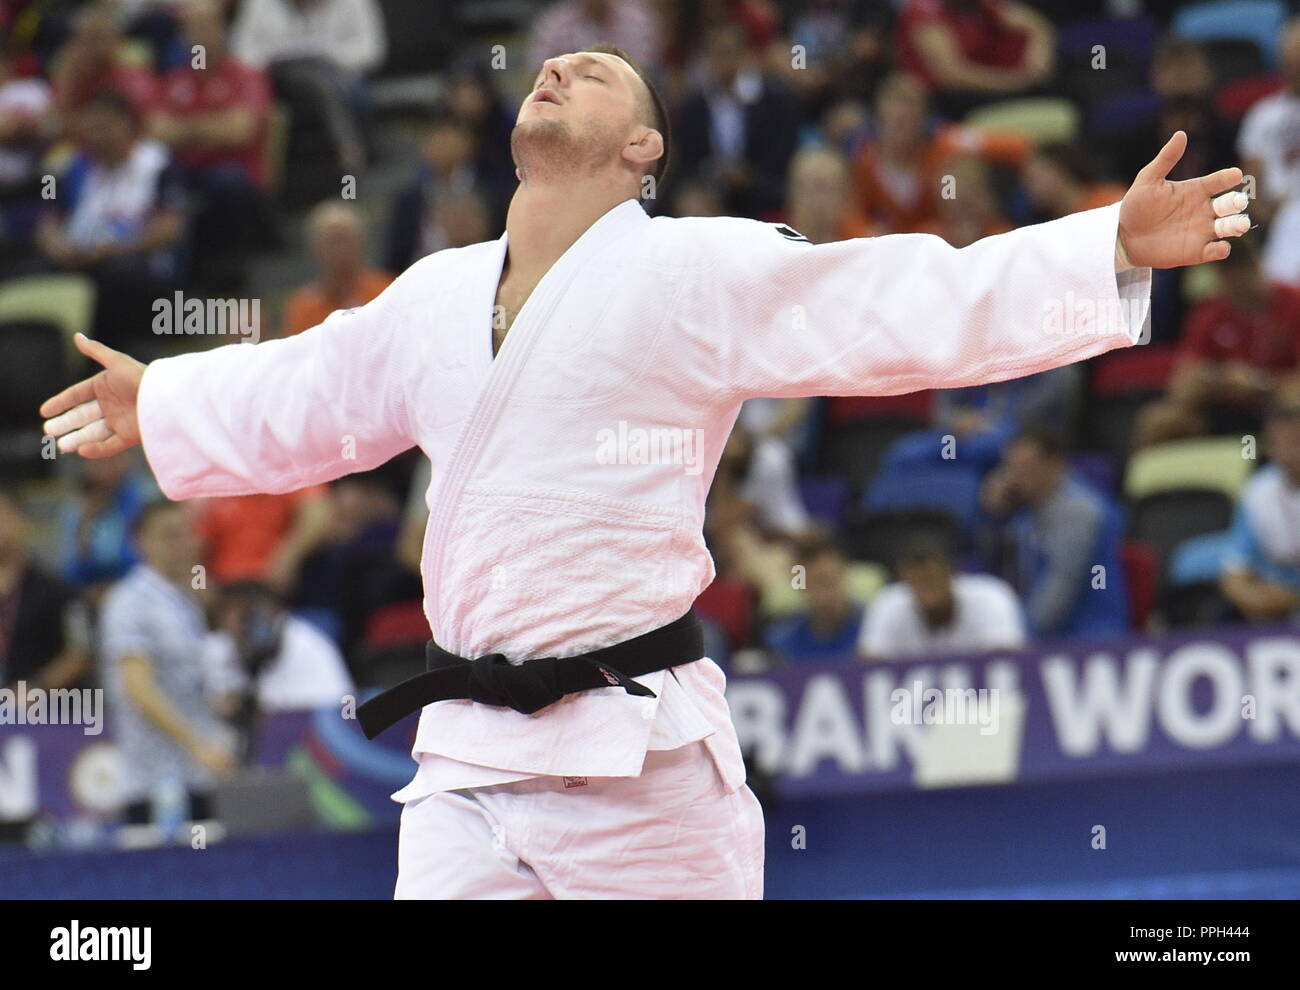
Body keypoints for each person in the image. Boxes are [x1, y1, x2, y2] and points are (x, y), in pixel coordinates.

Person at [41, 45, 1249, 899]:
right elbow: (307, 392)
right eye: (547, 65)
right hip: (467, 760)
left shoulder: (693, 270)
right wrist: (165, 396)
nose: (555, 69)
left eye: (597, 70)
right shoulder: (432, 296)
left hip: (644, 759)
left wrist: (1101, 247)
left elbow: (894, 300)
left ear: (643, 145)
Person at [98, 499, 236, 826]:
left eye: (186, 533)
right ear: (142, 542)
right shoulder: (129, 602)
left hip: (197, 772)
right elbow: (138, 688)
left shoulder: (186, 599)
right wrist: (196, 744)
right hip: (154, 780)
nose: (183, 544)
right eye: (169, 535)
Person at [981, 428, 1128, 640]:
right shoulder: (1025, 516)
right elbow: (998, 578)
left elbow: (1060, 588)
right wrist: (994, 517)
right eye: (1011, 468)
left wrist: (1017, 637)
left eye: (1026, 468)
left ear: (1055, 465)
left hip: (1090, 635)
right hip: (1046, 635)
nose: (1015, 478)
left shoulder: (1080, 512)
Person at [858, 533, 1025, 660]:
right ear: (905, 580)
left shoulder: (991, 597)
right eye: (917, 581)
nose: (926, 587)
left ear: (951, 572)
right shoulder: (888, 604)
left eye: (932, 579)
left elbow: (1007, 664)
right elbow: (869, 668)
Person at [1219, 383, 1300, 623]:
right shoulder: (1257, 492)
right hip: (1274, 611)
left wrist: (1292, 598)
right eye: (1280, 443)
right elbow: (1233, 571)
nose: (1289, 454)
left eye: (1296, 442)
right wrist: (1254, 599)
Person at [0, 490, 92, 691]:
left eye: (3, 516)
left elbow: (80, 652)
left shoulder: (60, 592)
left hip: (47, 713)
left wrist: (37, 687)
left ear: (21, 521)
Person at [1237, 18, 1300, 286]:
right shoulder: (1263, 116)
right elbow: (1248, 186)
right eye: (1291, 63)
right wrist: (1263, 212)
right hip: (1278, 219)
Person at [763, 534, 865, 664]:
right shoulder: (782, 641)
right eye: (815, 583)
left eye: (828, 581)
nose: (823, 593)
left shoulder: (871, 626)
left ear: (843, 573)